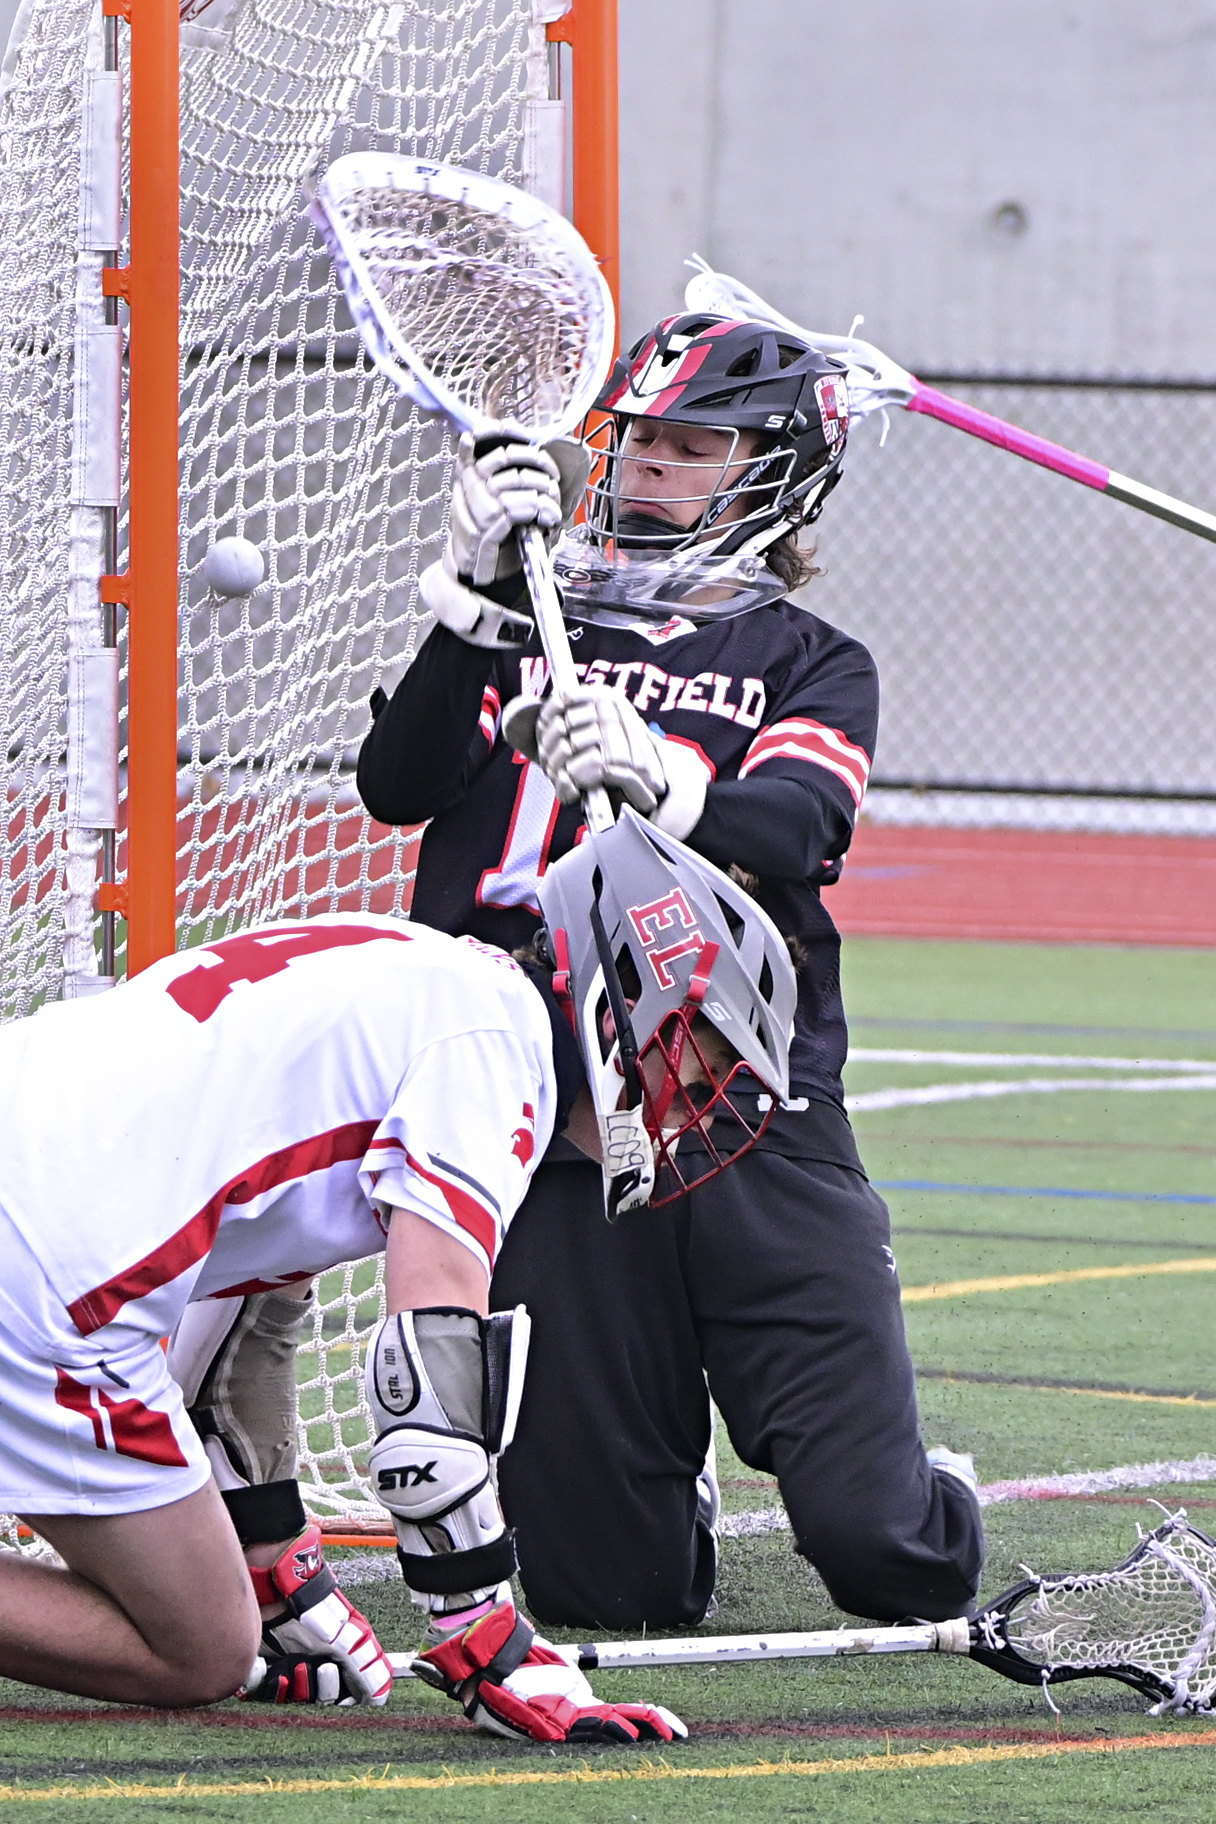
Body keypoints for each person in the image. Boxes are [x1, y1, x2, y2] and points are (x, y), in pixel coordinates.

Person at [356, 310, 986, 1632]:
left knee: (887, 1557)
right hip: (557, 1141)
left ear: (774, 471)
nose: (643, 469)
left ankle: (908, 1485)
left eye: (689, 446)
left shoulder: (808, 662)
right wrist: (470, 594)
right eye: (634, 439)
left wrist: (666, 781)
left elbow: (799, 831)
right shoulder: (524, 620)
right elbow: (397, 784)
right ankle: (667, 1489)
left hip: (742, 1109)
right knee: (608, 1597)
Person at [0, 908, 706, 1741]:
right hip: (48, 1273)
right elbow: (428, 1377)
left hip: (30, 1143)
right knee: (202, 1648)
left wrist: (273, 1555)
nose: (687, 1110)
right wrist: (481, 1633)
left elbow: (248, 1317)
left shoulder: (430, 971)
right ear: (623, 1010)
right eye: (699, 1072)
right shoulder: (499, 1054)